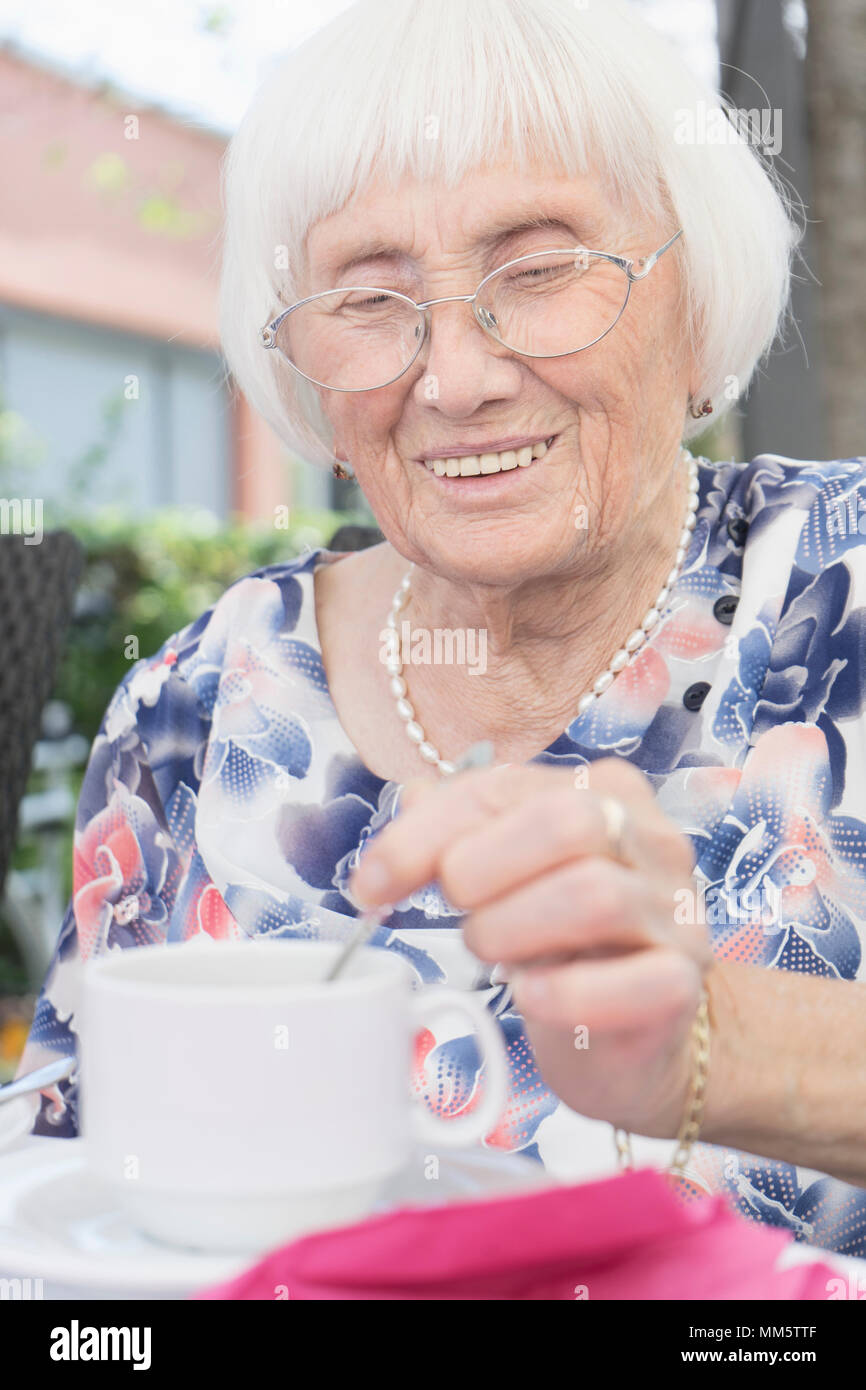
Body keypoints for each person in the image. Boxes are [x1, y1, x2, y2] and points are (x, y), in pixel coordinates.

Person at [18, 0, 866, 1257]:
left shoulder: (840, 581)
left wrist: (708, 1044)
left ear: (691, 296)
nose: (455, 377)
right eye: (368, 297)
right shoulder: (198, 699)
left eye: (535, 269)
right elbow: (61, 1165)